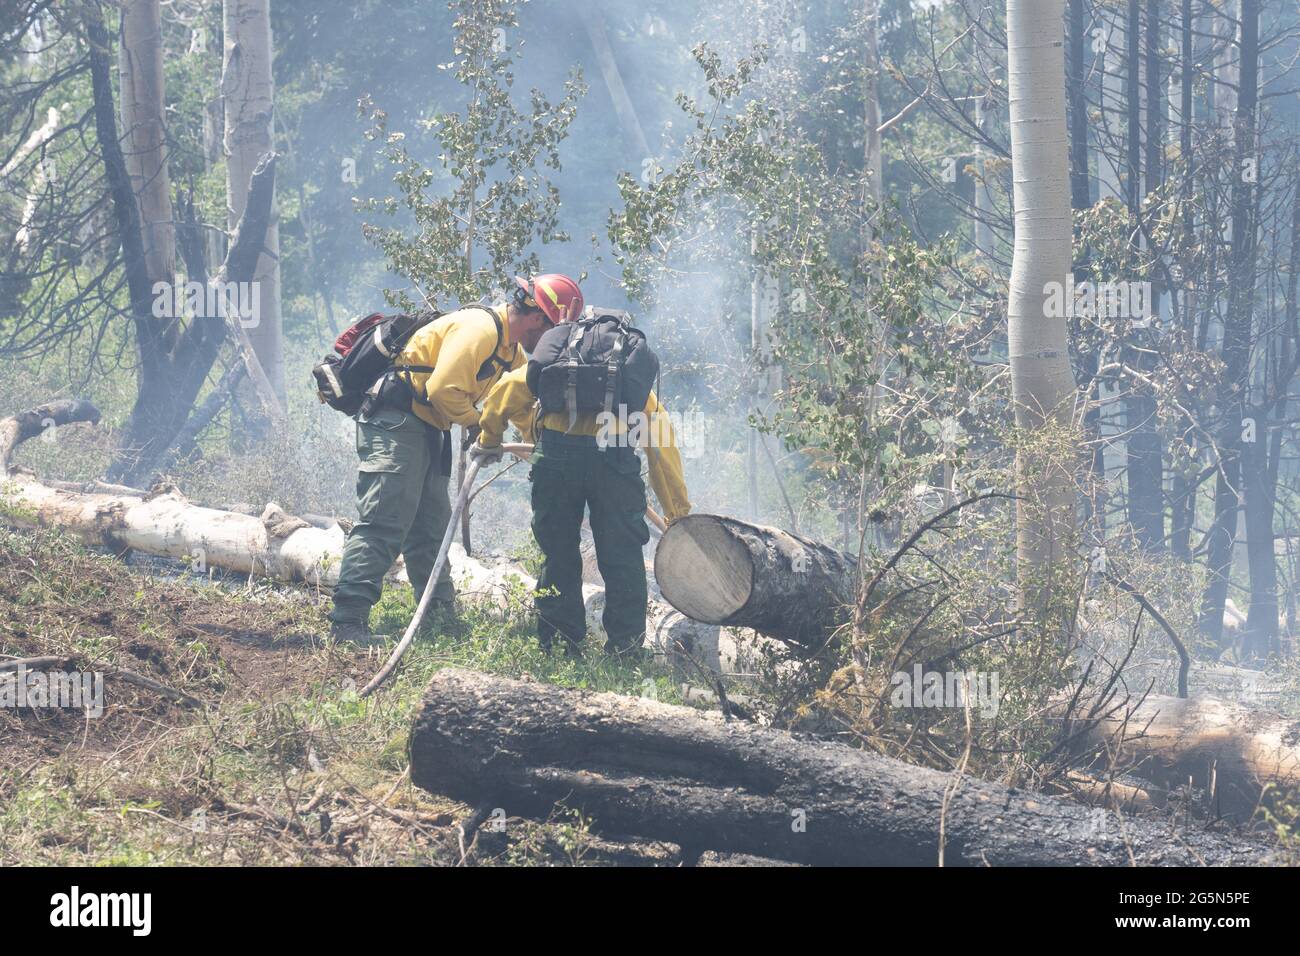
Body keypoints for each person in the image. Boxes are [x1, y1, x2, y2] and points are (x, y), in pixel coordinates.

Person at [328, 274, 584, 644]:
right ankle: (348, 622)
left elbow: (517, 406)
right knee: (385, 519)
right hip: (396, 420)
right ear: (538, 319)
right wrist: (479, 425)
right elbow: (443, 388)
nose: (550, 344)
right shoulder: (480, 330)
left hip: (428, 427)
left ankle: (439, 616)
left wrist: (544, 450)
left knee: (430, 528)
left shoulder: (510, 351)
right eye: (552, 333)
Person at [472, 311, 691, 658]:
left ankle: (559, 644)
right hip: (614, 461)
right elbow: (660, 442)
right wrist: (677, 513)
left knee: (557, 552)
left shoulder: (557, 357)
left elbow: (504, 394)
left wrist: (489, 439)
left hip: (557, 458)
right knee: (622, 557)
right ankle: (625, 649)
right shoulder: (627, 369)